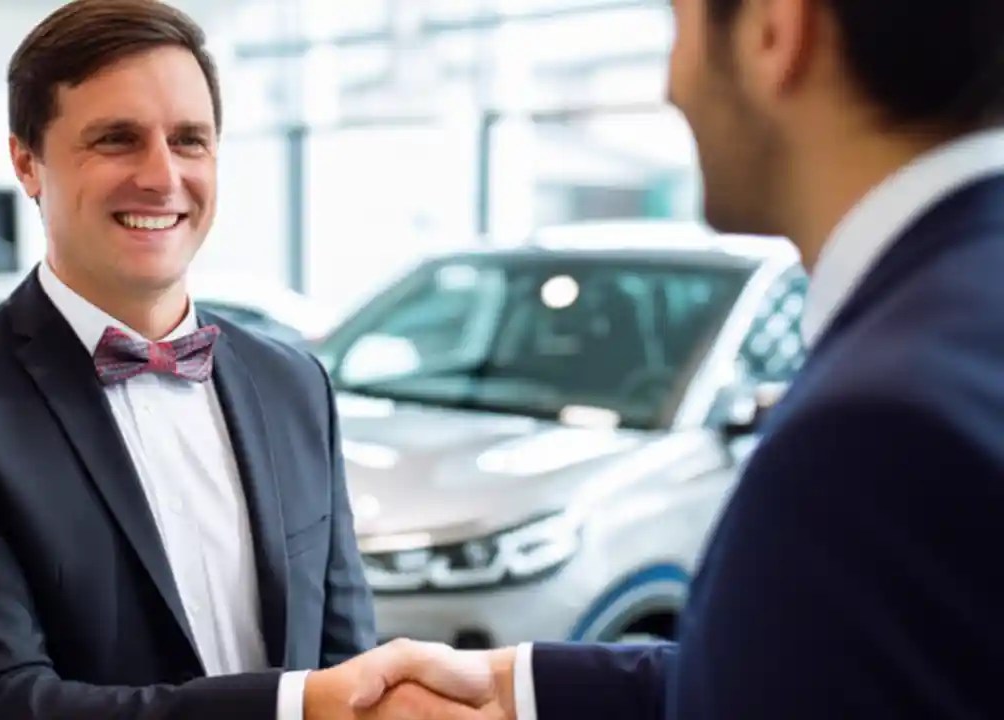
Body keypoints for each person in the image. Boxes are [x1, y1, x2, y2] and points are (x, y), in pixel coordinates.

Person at [350, 0, 1004, 717]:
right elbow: (811, 678)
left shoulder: (875, 430)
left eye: (680, 25)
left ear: (774, 32)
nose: (670, 87)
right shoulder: (962, 312)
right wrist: (519, 692)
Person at [0, 2, 471, 718]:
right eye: (117, 139)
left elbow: (343, 657)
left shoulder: (294, 383)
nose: (161, 176)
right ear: (27, 162)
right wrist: (293, 707)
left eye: (189, 140)